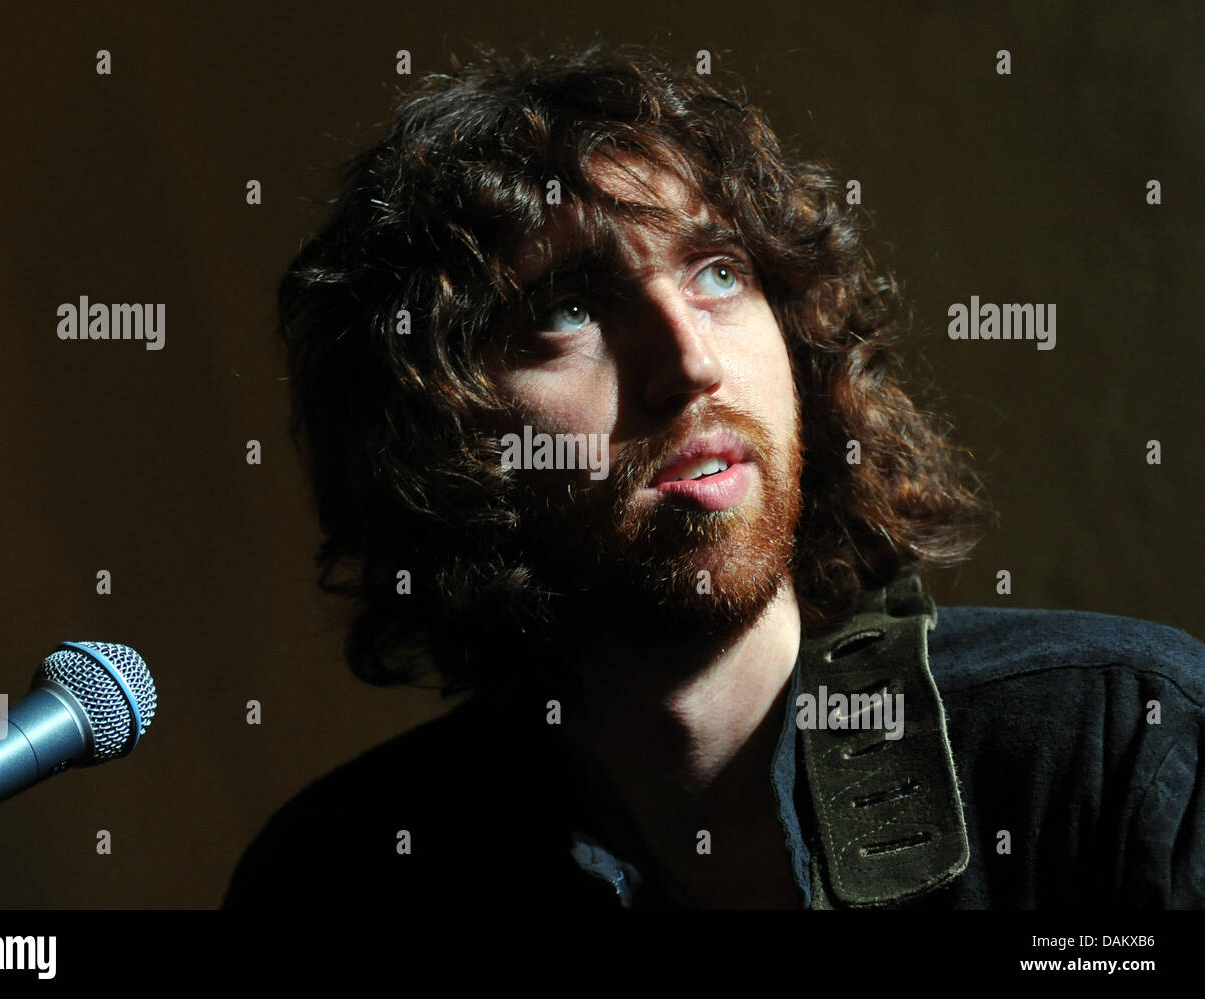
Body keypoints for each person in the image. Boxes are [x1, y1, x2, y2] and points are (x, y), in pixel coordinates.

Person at [225, 43, 1205, 910]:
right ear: (431, 433)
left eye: (720, 273)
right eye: (568, 308)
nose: (688, 364)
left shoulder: (1112, 749)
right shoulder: (340, 877)